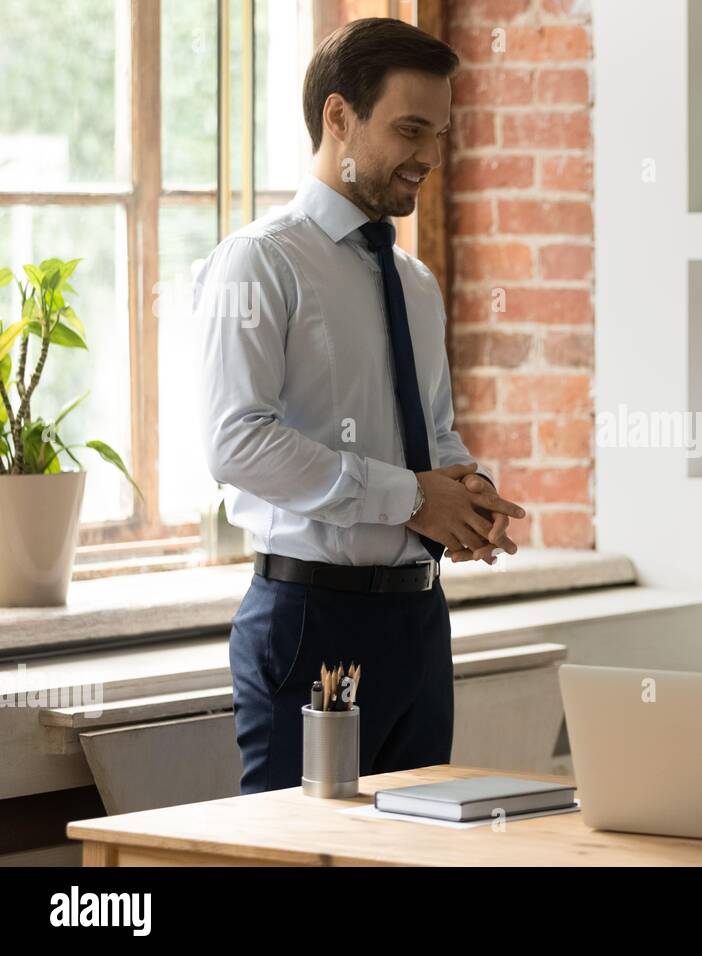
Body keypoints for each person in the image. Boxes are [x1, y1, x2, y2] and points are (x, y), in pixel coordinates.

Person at [196, 18, 525, 793]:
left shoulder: (416, 282)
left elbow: (433, 431)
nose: (430, 158)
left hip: (420, 622)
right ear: (338, 118)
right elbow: (236, 443)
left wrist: (465, 499)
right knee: (298, 857)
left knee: (423, 852)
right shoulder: (260, 262)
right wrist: (412, 498)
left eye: (439, 133)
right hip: (311, 621)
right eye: (410, 129)